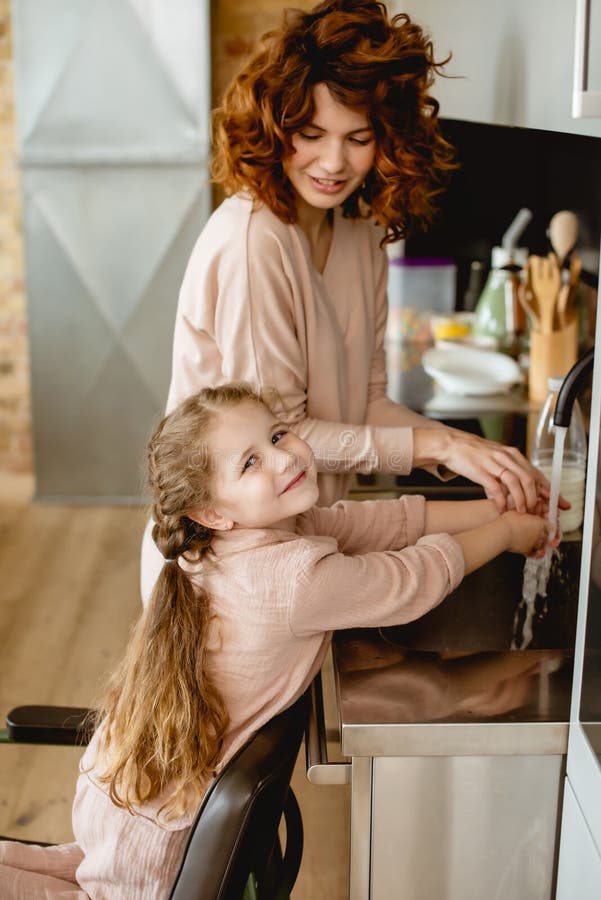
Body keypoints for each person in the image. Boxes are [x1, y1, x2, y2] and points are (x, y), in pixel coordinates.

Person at [0, 381, 558, 898]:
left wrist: (498, 508)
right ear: (213, 511)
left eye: (277, 434)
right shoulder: (292, 580)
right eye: (251, 462)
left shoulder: (246, 541)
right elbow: (410, 580)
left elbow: (379, 524)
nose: (285, 456)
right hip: (155, 841)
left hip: (126, 802)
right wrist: (506, 532)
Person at [141, 0, 558, 601]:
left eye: (357, 138)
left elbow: (366, 403)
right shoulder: (254, 241)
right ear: (275, 128)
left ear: (387, 138)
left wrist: (471, 455)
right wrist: (440, 444)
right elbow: (282, 428)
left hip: (307, 542)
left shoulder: (361, 236)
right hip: (231, 572)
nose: (334, 163)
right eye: (311, 135)